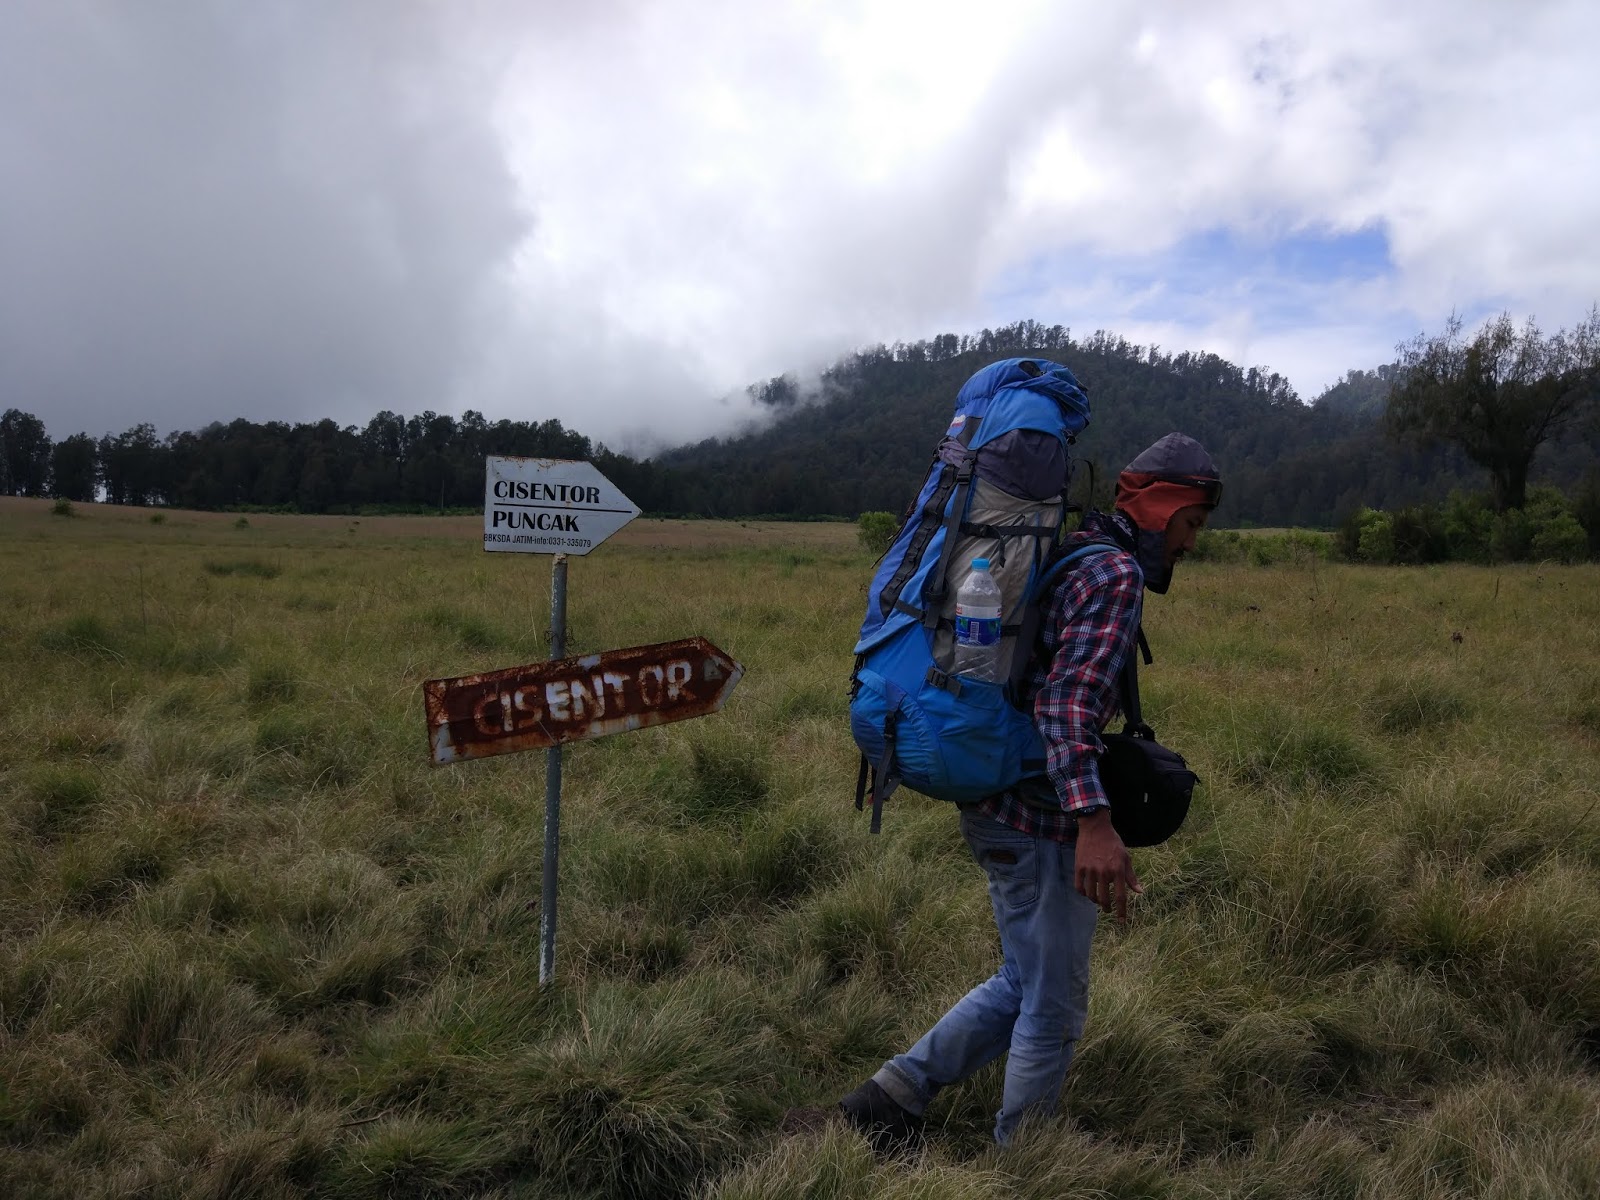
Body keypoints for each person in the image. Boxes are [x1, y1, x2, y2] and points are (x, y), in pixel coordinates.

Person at [838, 432, 1223, 1151]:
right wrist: (1096, 824)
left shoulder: (1072, 549)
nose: (1191, 542)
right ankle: (1026, 1162)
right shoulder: (1113, 575)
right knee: (1054, 1003)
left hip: (995, 799)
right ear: (1162, 507)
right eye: (1191, 523)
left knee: (1025, 978)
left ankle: (889, 1098)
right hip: (1038, 818)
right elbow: (1067, 708)